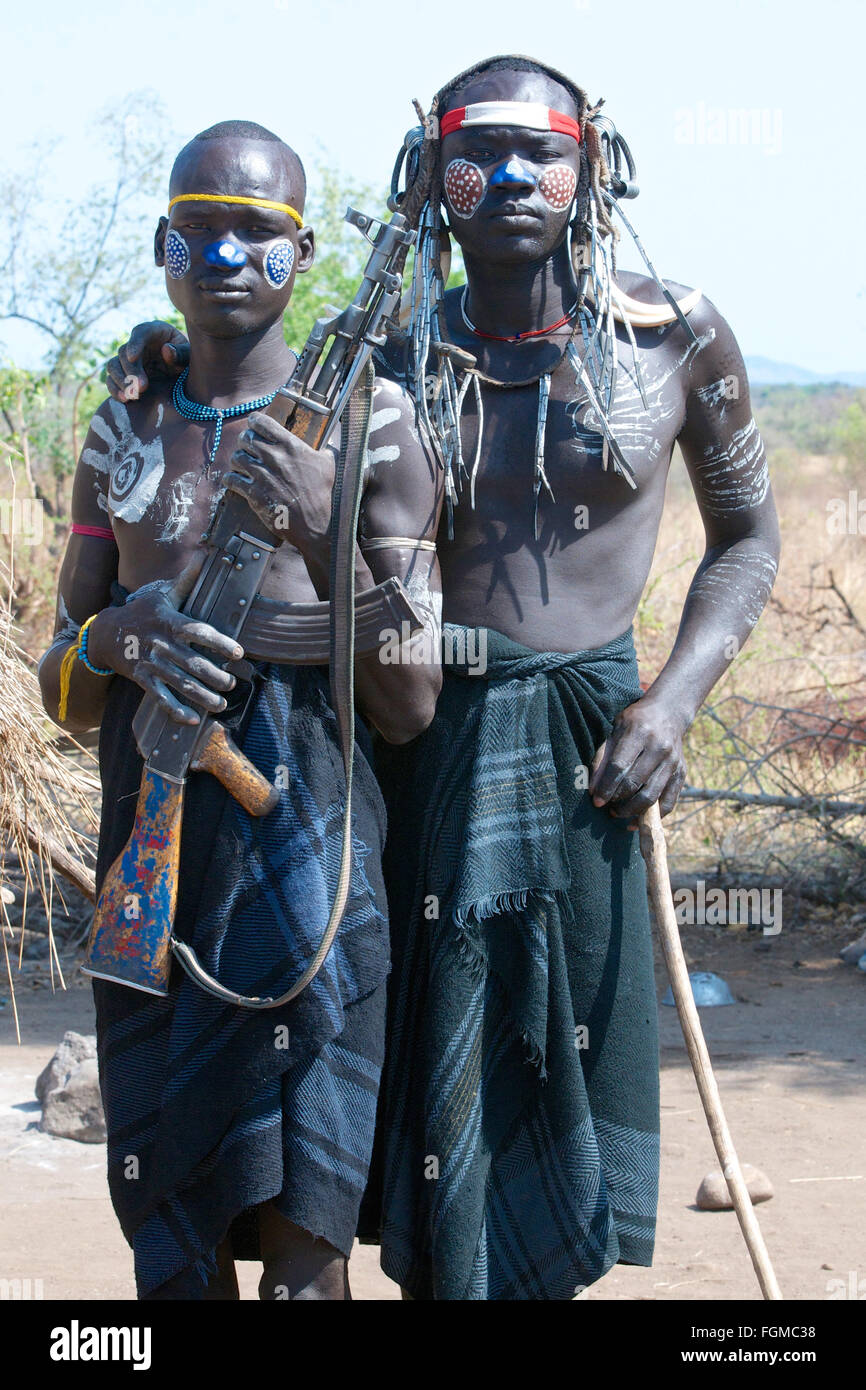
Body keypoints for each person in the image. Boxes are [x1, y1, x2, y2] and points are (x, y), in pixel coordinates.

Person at [111, 54, 781, 1301]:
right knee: (407, 1105)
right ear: (431, 173)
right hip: (403, 749)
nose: (517, 174)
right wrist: (156, 352)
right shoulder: (379, 357)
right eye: (483, 150)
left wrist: (673, 701)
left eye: (547, 150)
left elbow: (748, 541)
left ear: (591, 166)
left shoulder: (674, 334)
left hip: (592, 755)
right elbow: (222, 367)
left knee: (545, 1087)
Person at [39, 119, 442, 1300]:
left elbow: (410, 699)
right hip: (153, 853)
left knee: (304, 1238)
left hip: (308, 855)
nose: (220, 256)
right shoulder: (124, 431)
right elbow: (58, 684)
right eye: (195, 230)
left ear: (305, 252)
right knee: (174, 1225)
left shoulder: (376, 430)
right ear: (162, 247)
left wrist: (323, 523)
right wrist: (119, 635)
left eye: (253, 235)